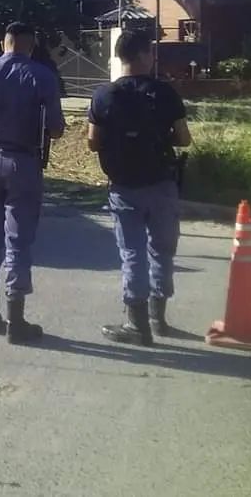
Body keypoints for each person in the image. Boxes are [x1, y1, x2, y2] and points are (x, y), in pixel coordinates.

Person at [0, 22, 65, 344]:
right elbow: (57, 130)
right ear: (31, 46)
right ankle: (16, 322)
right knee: (17, 241)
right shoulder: (42, 76)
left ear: (3, 43)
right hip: (23, 162)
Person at [87, 28, 192, 346]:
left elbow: (92, 141)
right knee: (162, 250)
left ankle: (137, 323)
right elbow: (184, 138)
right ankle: (158, 318)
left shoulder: (103, 95)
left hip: (123, 186)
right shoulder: (165, 93)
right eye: (151, 51)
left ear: (119, 57)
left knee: (132, 252)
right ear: (145, 55)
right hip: (161, 182)